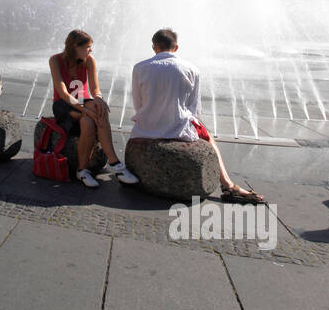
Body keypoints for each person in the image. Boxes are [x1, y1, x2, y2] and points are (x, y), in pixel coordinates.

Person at [129, 28, 264, 203]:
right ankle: (228, 185)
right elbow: (194, 108)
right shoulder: (191, 69)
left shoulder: (140, 67)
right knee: (209, 138)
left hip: (145, 128)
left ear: (154, 47)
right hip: (179, 129)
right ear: (176, 47)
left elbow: (138, 103)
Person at [50, 30, 138, 187]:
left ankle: (82, 171)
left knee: (90, 121)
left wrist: (99, 99)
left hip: (85, 103)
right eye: (88, 47)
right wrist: (86, 109)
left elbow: (95, 89)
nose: (90, 50)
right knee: (95, 113)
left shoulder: (89, 60)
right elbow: (63, 93)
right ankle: (116, 164)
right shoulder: (55, 60)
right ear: (76, 46)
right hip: (64, 104)